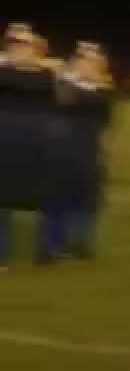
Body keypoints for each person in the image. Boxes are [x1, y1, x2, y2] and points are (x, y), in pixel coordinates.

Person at [0, 23, 61, 265]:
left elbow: (36, 83)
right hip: (5, 143)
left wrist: (37, 65)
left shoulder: (46, 76)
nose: (19, 49)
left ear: (35, 48)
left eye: (25, 44)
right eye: (14, 44)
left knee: (46, 198)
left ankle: (46, 251)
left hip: (38, 143)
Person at [51, 42, 114, 258]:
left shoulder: (102, 91)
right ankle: (57, 243)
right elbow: (64, 99)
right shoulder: (64, 85)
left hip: (89, 147)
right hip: (62, 145)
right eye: (83, 60)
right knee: (60, 195)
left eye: (92, 62)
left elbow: (100, 110)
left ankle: (82, 243)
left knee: (87, 197)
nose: (86, 65)